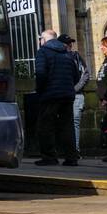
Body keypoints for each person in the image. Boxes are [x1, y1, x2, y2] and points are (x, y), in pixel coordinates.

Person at [33, 29, 79, 166]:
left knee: (45, 126)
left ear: (44, 39)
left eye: (40, 38)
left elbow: (40, 74)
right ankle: (71, 157)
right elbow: (76, 75)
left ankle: (49, 157)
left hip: (50, 95)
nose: (40, 41)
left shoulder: (43, 52)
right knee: (67, 126)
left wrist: (40, 91)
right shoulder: (67, 53)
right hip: (67, 95)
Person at [61, 36, 89, 150]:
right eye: (67, 43)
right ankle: (66, 150)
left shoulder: (76, 56)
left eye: (70, 43)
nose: (70, 45)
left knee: (74, 123)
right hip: (61, 95)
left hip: (76, 95)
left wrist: (75, 89)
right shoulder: (58, 57)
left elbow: (85, 74)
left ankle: (75, 150)